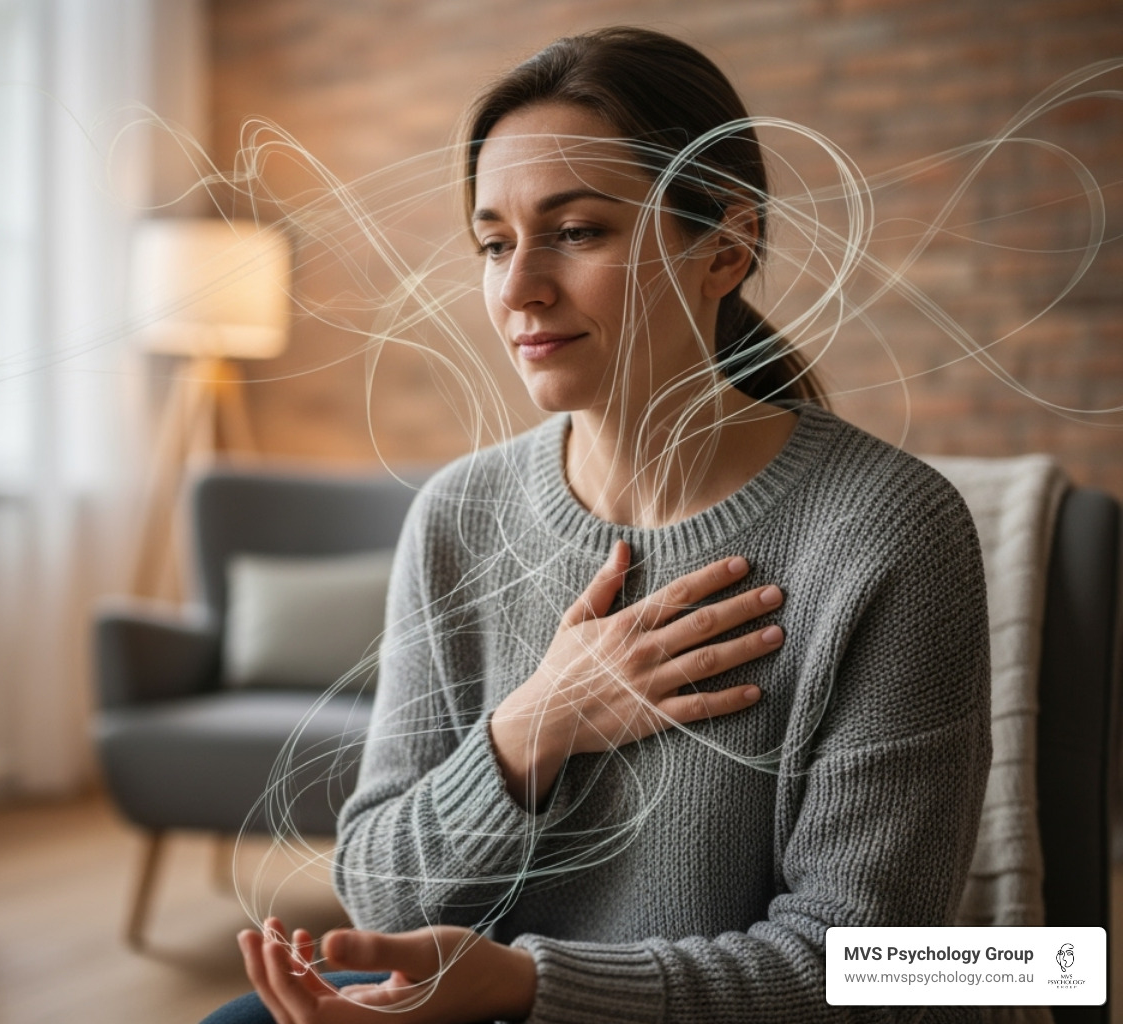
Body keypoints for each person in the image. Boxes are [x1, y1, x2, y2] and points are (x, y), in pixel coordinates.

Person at [210, 26, 990, 1024]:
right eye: (495, 242)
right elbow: (378, 890)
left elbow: (877, 967)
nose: (519, 286)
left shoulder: (892, 534)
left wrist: (535, 984)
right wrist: (536, 724)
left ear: (727, 245)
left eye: (577, 232)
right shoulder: (459, 514)